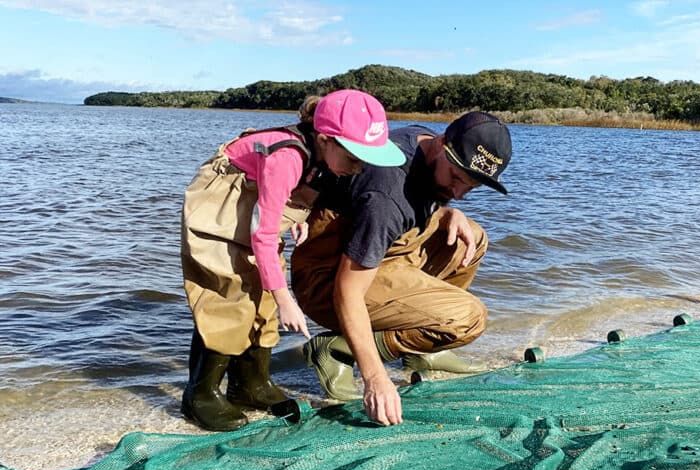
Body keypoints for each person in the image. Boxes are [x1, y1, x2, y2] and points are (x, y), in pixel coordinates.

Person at [180, 89, 406, 432]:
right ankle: (201, 394)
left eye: (366, 160)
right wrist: (286, 298)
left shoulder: (322, 154)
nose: (359, 168)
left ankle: (250, 385)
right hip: (219, 200)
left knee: (261, 297)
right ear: (325, 140)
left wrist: (297, 218)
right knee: (227, 290)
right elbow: (265, 235)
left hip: (253, 196)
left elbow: (284, 196)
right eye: (354, 158)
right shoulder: (285, 157)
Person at [291, 111, 512, 426]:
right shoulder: (387, 194)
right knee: (468, 319)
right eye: (456, 178)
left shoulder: (420, 140)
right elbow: (347, 292)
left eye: (471, 186)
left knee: (472, 238)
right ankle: (336, 350)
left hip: (377, 250)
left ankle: (422, 346)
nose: (460, 193)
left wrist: (447, 213)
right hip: (325, 280)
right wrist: (375, 378)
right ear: (441, 144)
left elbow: (420, 200)